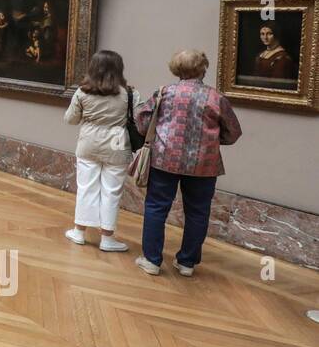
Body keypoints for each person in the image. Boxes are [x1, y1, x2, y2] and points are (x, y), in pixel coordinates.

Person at [132, 49, 242, 277]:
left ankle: (151, 260)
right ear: (203, 68)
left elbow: (142, 123)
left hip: (165, 160)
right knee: (198, 212)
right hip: (203, 164)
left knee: (156, 207)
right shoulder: (216, 98)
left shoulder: (164, 93)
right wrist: (211, 141)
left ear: (176, 68)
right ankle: (187, 263)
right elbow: (233, 132)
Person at [63, 50, 138, 253]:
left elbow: (71, 119)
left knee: (86, 187)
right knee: (111, 192)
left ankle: (79, 231)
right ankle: (107, 238)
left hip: (89, 143)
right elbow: (139, 121)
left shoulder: (82, 92)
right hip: (117, 142)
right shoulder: (130, 94)